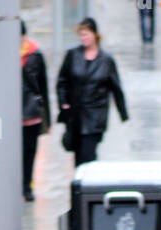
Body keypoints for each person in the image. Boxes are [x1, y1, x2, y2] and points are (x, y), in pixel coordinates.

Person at [57, 16, 128, 167]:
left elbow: (116, 88)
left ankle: (87, 186)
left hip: (95, 116)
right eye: (81, 35)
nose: (83, 38)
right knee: (77, 155)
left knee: (88, 154)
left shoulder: (106, 60)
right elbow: (62, 81)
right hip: (75, 115)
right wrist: (63, 103)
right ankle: (78, 187)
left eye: (86, 34)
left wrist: (123, 113)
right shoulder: (73, 55)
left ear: (95, 35)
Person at [20, 20, 51, 201]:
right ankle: (16, 184)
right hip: (8, 114)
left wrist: (47, 118)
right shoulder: (2, 52)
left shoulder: (34, 54)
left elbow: (43, 87)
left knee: (30, 150)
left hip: (31, 112)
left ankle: (27, 185)